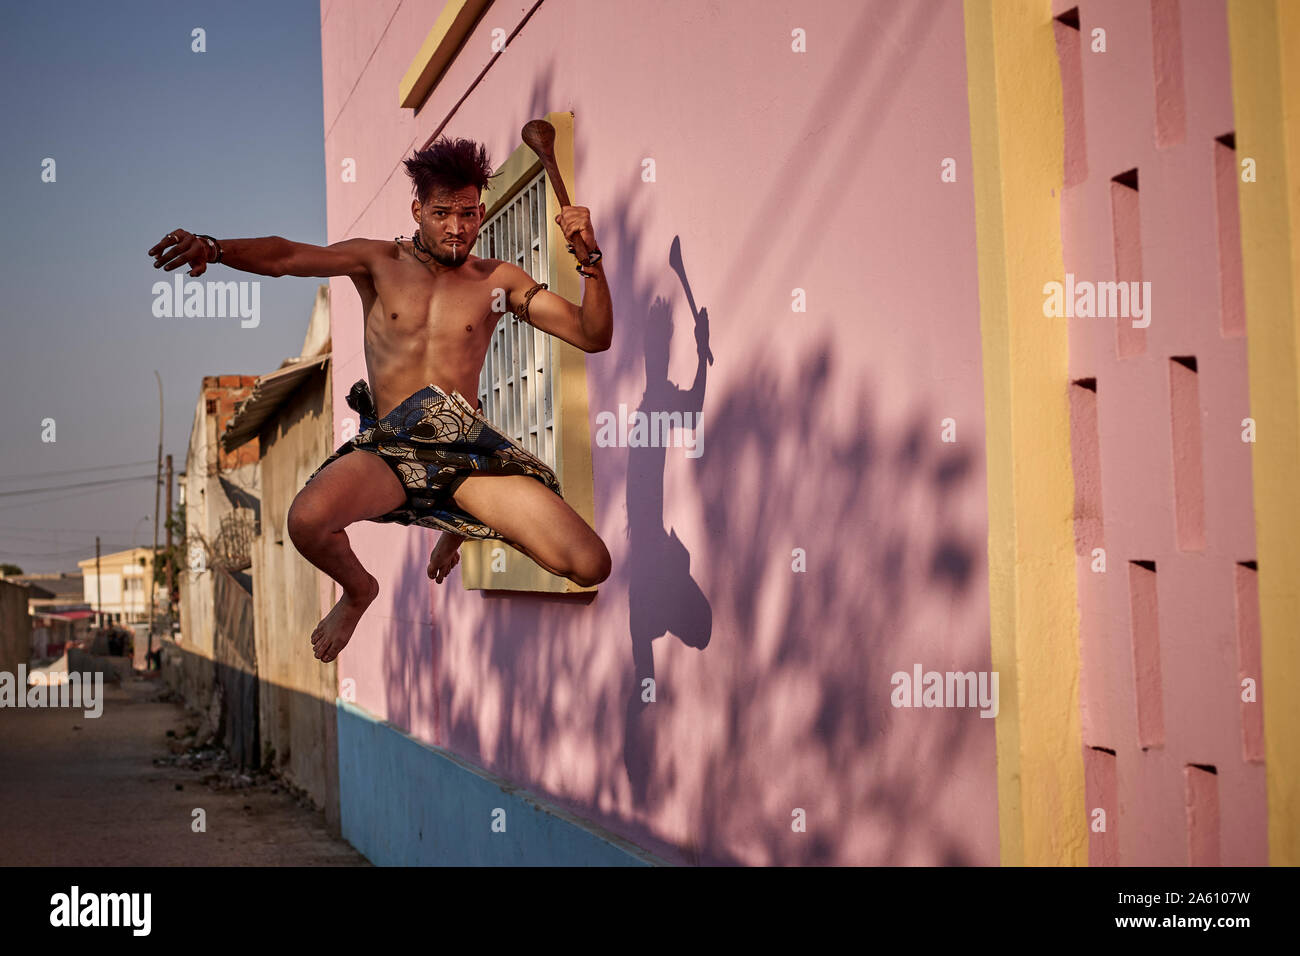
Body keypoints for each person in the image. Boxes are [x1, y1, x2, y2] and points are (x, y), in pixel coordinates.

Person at [147, 137, 613, 663]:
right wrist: (214, 247)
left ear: (481, 211)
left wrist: (588, 256)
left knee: (589, 564)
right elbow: (287, 256)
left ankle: (459, 524)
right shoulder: (377, 262)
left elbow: (592, 335)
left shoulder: (496, 281)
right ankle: (359, 591)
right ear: (418, 211)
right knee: (307, 521)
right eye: (441, 213)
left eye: (466, 213)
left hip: (463, 454)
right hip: (393, 449)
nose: (456, 227)